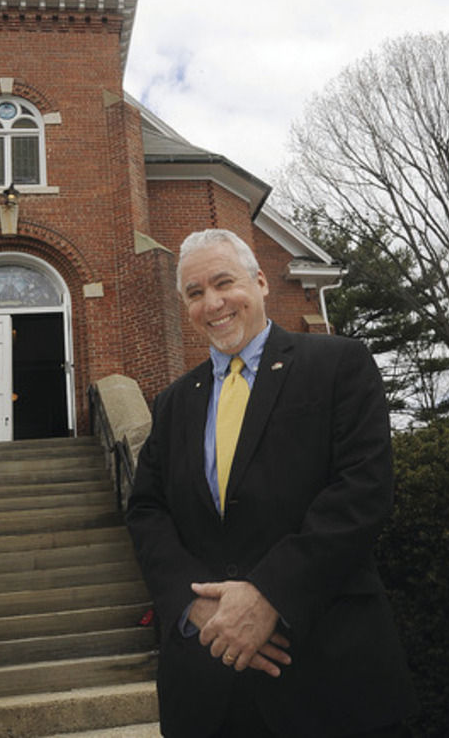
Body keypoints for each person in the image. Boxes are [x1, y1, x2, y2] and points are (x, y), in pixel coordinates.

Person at [126, 229, 417, 738]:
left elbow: (362, 491)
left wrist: (269, 595)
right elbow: (147, 511)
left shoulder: (338, 364)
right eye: (195, 293)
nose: (212, 303)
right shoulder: (173, 403)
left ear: (260, 282)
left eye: (224, 283)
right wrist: (195, 604)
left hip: (328, 677)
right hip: (208, 690)